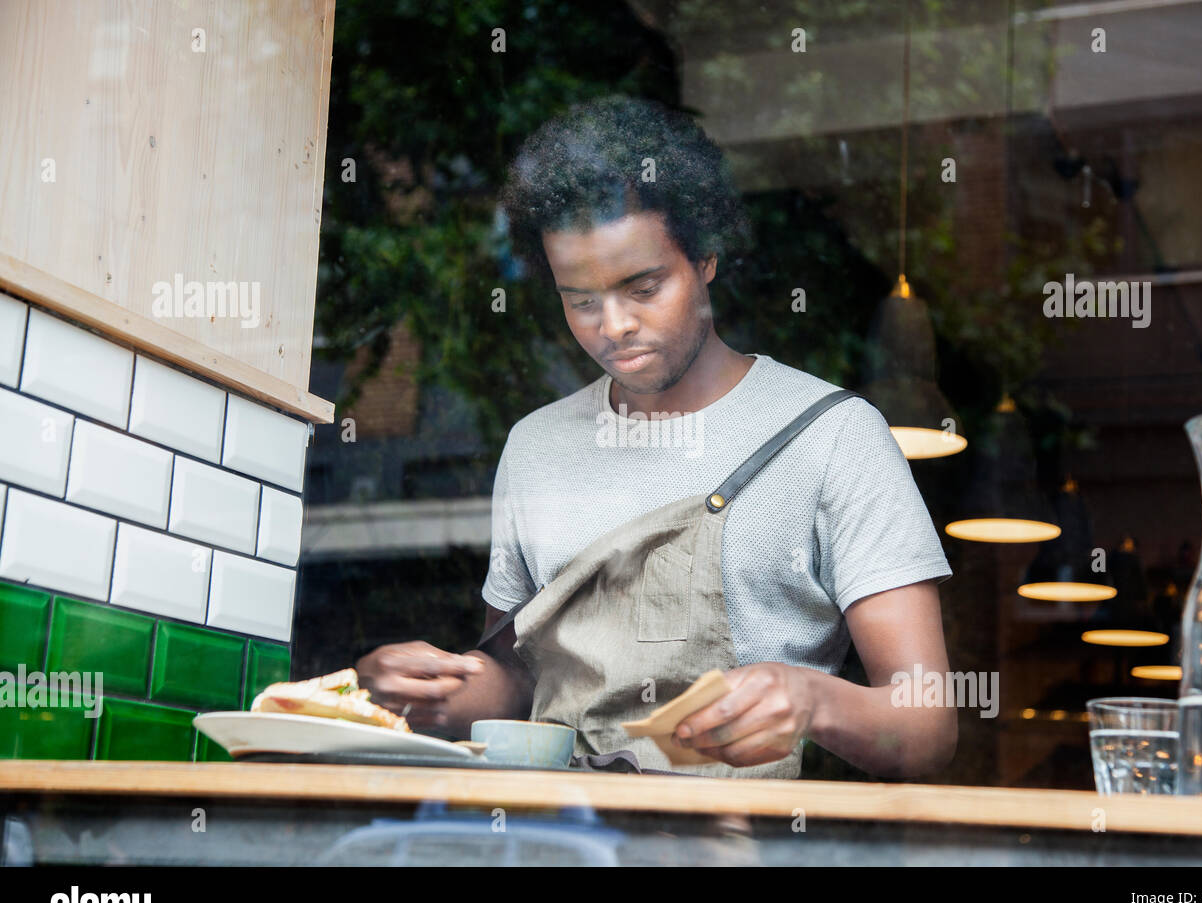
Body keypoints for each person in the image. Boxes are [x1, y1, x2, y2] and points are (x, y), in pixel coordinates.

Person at [358, 95, 956, 778]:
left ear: (705, 258)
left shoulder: (834, 437)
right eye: (579, 299)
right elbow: (522, 684)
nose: (611, 326)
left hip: (738, 849)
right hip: (555, 841)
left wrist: (811, 698)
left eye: (643, 288)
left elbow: (927, 728)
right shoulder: (535, 445)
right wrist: (433, 693)